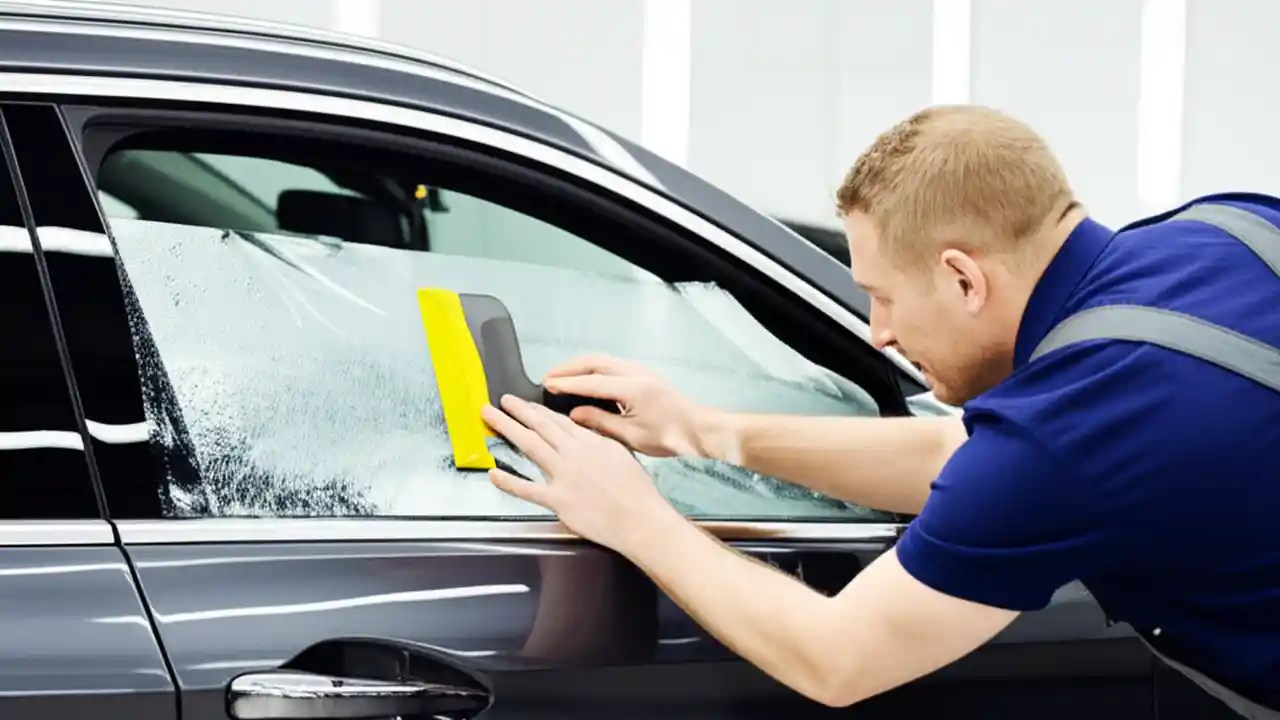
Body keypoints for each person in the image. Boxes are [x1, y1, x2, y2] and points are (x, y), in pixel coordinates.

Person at [479, 104, 1280, 717]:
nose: (879, 331)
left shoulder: (1062, 438)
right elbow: (960, 457)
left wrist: (633, 518)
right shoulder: (1233, 226)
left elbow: (837, 660)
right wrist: (703, 430)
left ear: (965, 280)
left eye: (883, 295)